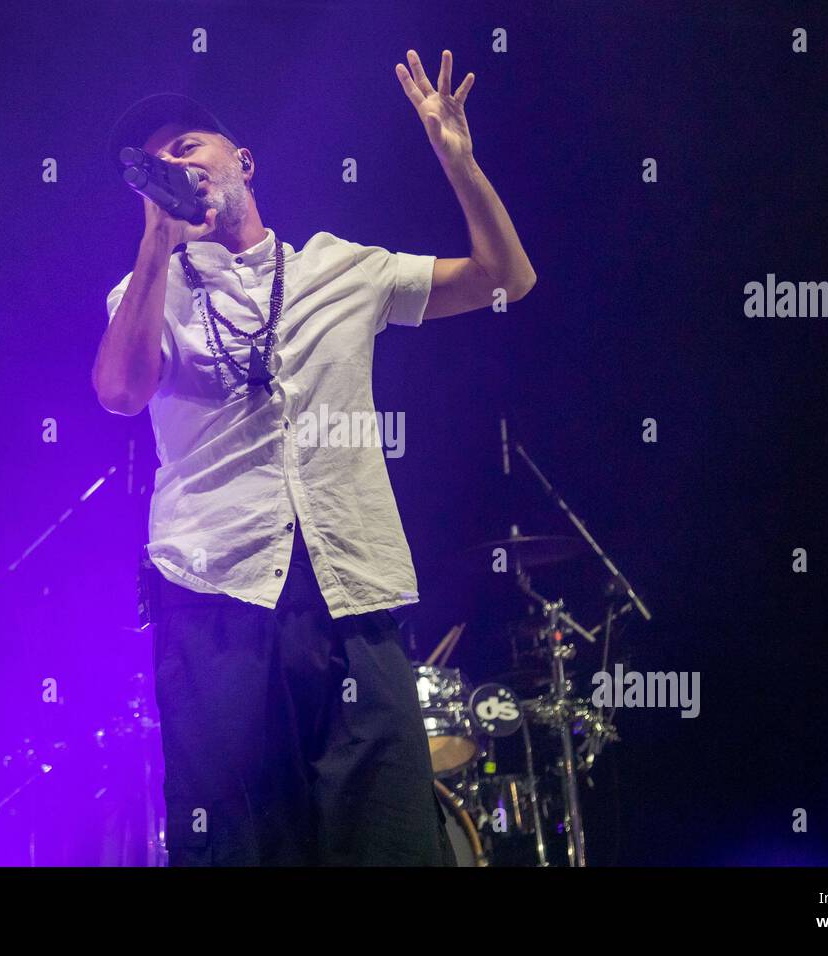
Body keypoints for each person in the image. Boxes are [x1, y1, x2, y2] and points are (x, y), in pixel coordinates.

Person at [93, 49, 535, 865]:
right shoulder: (143, 291)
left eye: (187, 146)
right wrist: (158, 237)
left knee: (390, 845)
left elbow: (505, 279)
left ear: (243, 160)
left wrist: (460, 166)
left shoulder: (343, 268)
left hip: (352, 595)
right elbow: (120, 391)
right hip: (216, 600)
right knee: (241, 847)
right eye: (152, 166)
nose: (173, 166)